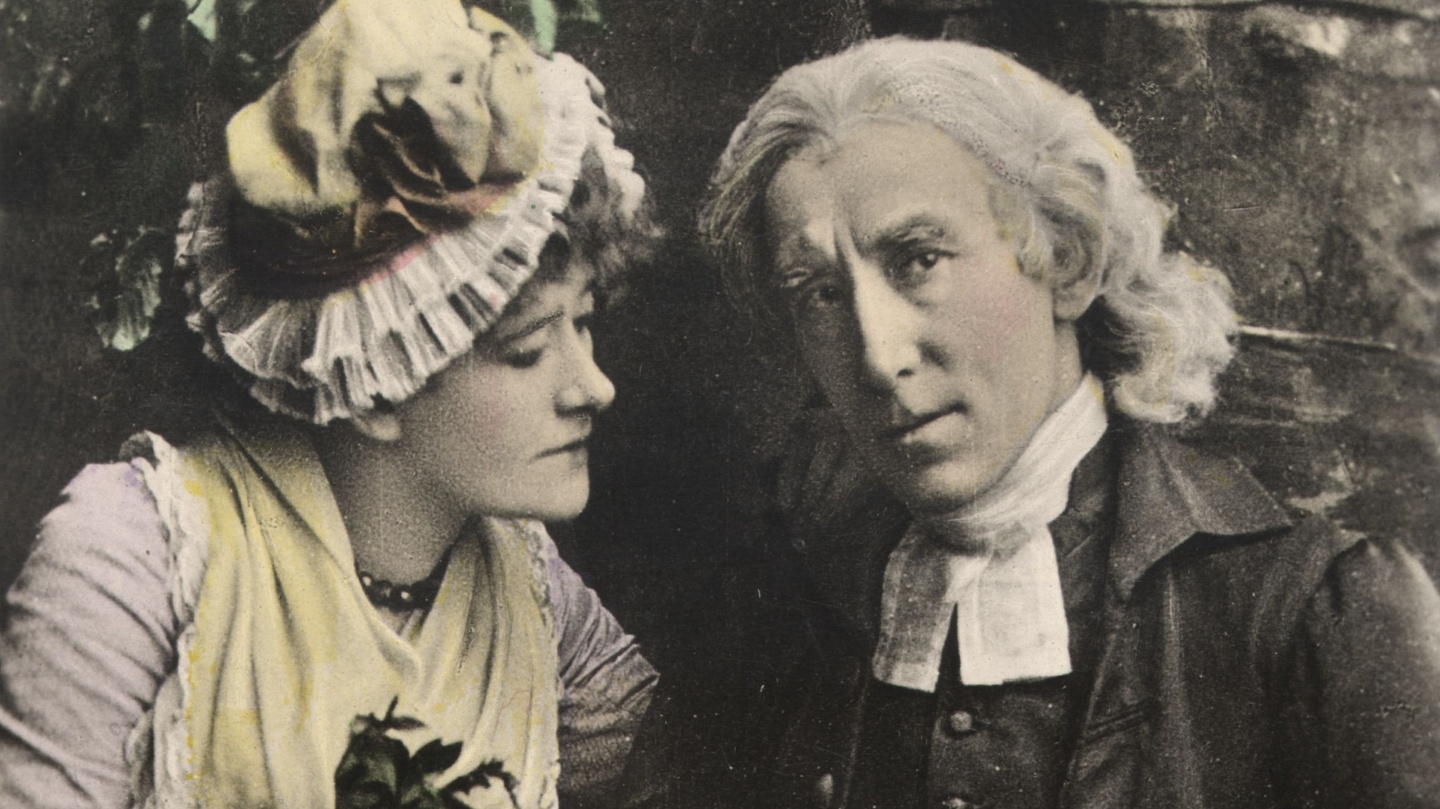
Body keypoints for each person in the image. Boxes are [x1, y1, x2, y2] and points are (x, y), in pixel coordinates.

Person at [699, 38, 1440, 809]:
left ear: (1069, 257)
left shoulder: (1313, 614)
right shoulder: (786, 609)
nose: (879, 357)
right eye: (819, 294)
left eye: (919, 259)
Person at [0, 1, 662, 806]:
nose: (593, 385)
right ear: (377, 379)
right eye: (526, 350)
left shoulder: (528, 585)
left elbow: (679, 763)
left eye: (584, 322)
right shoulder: (139, 555)